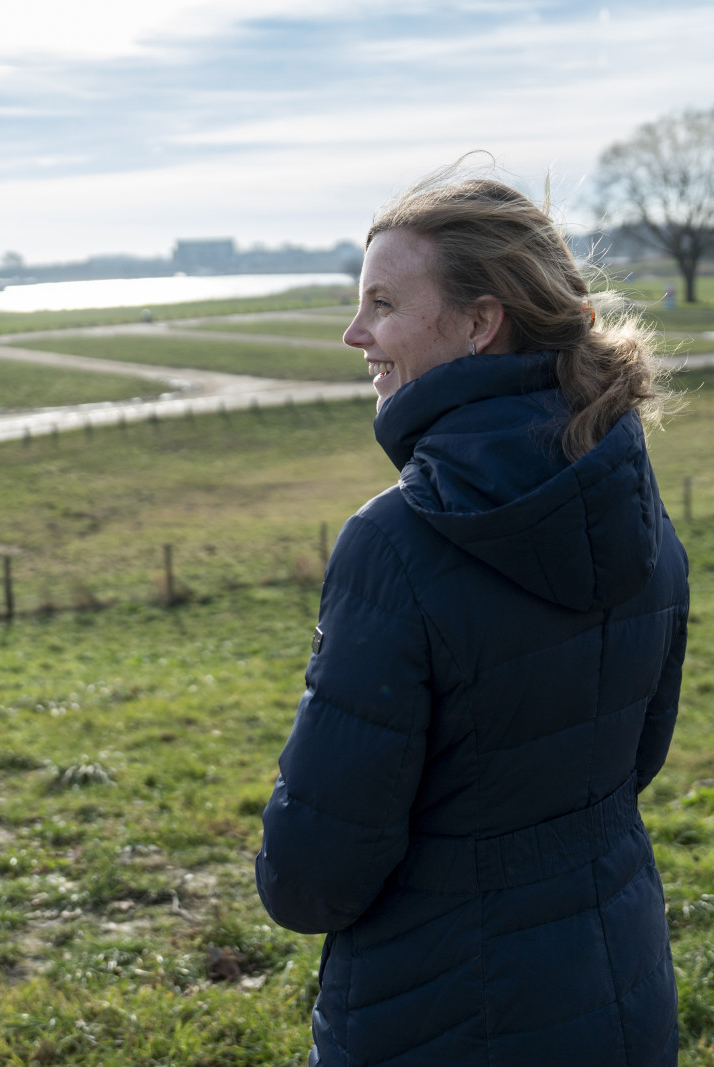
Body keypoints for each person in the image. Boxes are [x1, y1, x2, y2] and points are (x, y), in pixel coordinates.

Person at [256, 172, 689, 1066]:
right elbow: (635, 756)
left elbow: (312, 881)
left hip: (436, 1010)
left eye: (382, 303)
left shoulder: (396, 542)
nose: (355, 332)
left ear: (479, 321)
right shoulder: (631, 495)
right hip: (618, 983)